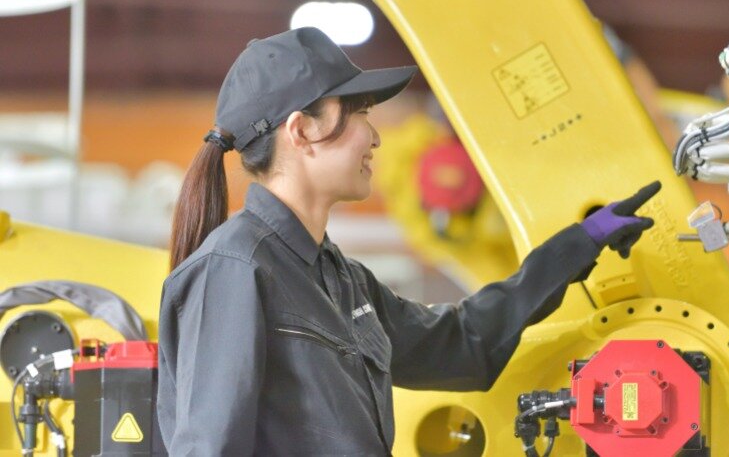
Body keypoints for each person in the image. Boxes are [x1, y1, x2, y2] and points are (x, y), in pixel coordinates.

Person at [156, 26, 660, 456]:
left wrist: (577, 245)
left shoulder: (341, 281)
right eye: (359, 113)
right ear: (302, 130)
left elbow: (462, 344)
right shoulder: (235, 270)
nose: (375, 137)